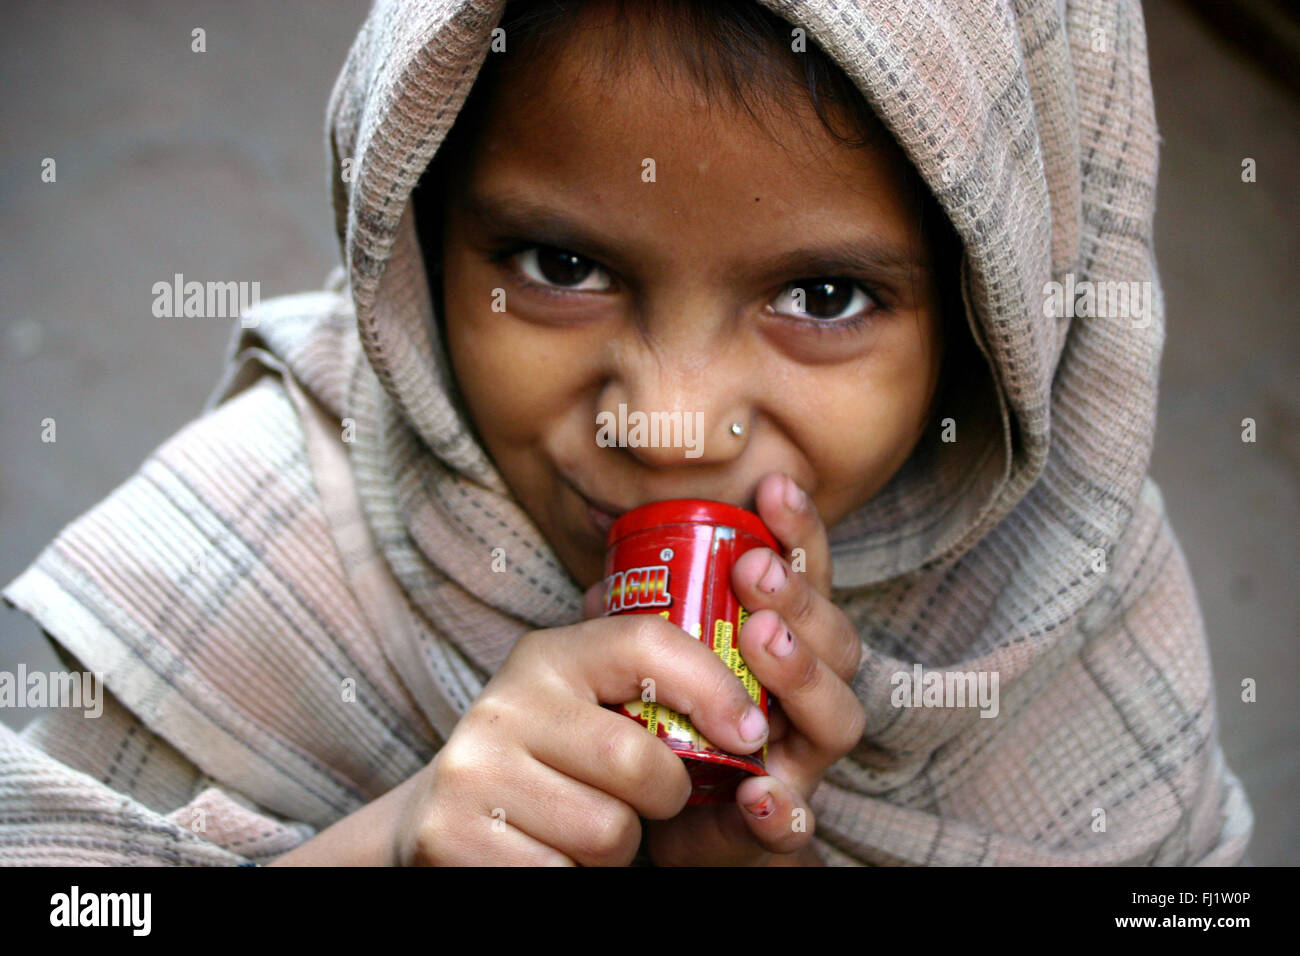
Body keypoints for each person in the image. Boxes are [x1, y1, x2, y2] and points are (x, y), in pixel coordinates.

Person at [0, 0, 1252, 866]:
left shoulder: (1062, 615)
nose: (672, 422)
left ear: (993, 320)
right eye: (560, 264)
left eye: (823, 296)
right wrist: (385, 844)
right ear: (419, 229)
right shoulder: (261, 550)